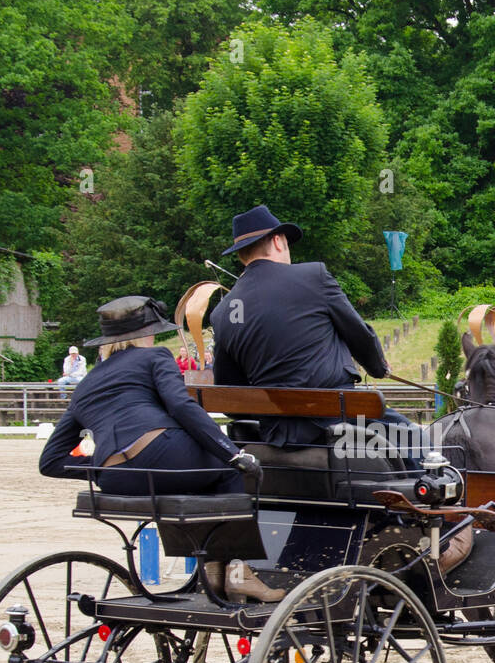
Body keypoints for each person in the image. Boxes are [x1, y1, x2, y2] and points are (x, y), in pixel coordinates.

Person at [210, 205, 469, 573]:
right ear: (278, 241)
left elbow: (230, 393)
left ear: (242, 255)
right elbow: (358, 332)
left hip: (276, 440)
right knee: (424, 443)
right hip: (340, 425)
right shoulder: (312, 277)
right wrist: (378, 367)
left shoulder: (224, 312)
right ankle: (448, 532)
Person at [39, 295, 280, 602]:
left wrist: (100, 471)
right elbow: (182, 406)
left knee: (201, 473)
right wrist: (233, 453)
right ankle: (237, 573)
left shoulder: (86, 384)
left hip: (115, 478)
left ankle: (215, 571)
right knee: (226, 470)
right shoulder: (154, 357)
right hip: (159, 456)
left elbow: (50, 462)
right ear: (147, 334)